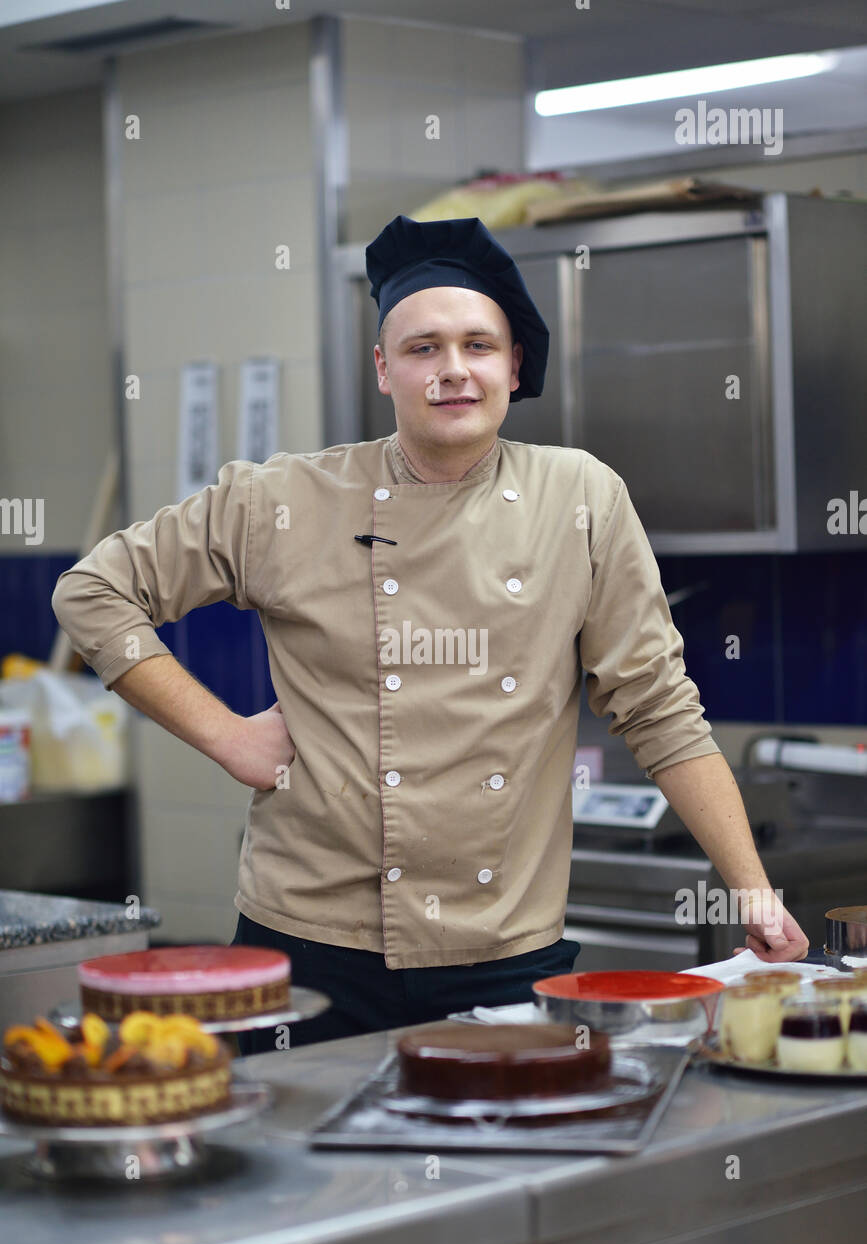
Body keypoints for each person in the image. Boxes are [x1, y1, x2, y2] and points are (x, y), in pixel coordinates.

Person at [51, 214, 809, 1056]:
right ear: (383, 368)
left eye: (478, 346)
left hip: (502, 951)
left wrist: (751, 892)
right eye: (422, 349)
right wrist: (226, 736)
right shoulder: (283, 500)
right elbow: (92, 593)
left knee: (502, 1165)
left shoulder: (581, 498)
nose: (453, 371)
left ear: (513, 366)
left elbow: (659, 709)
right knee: (301, 1174)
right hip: (306, 945)